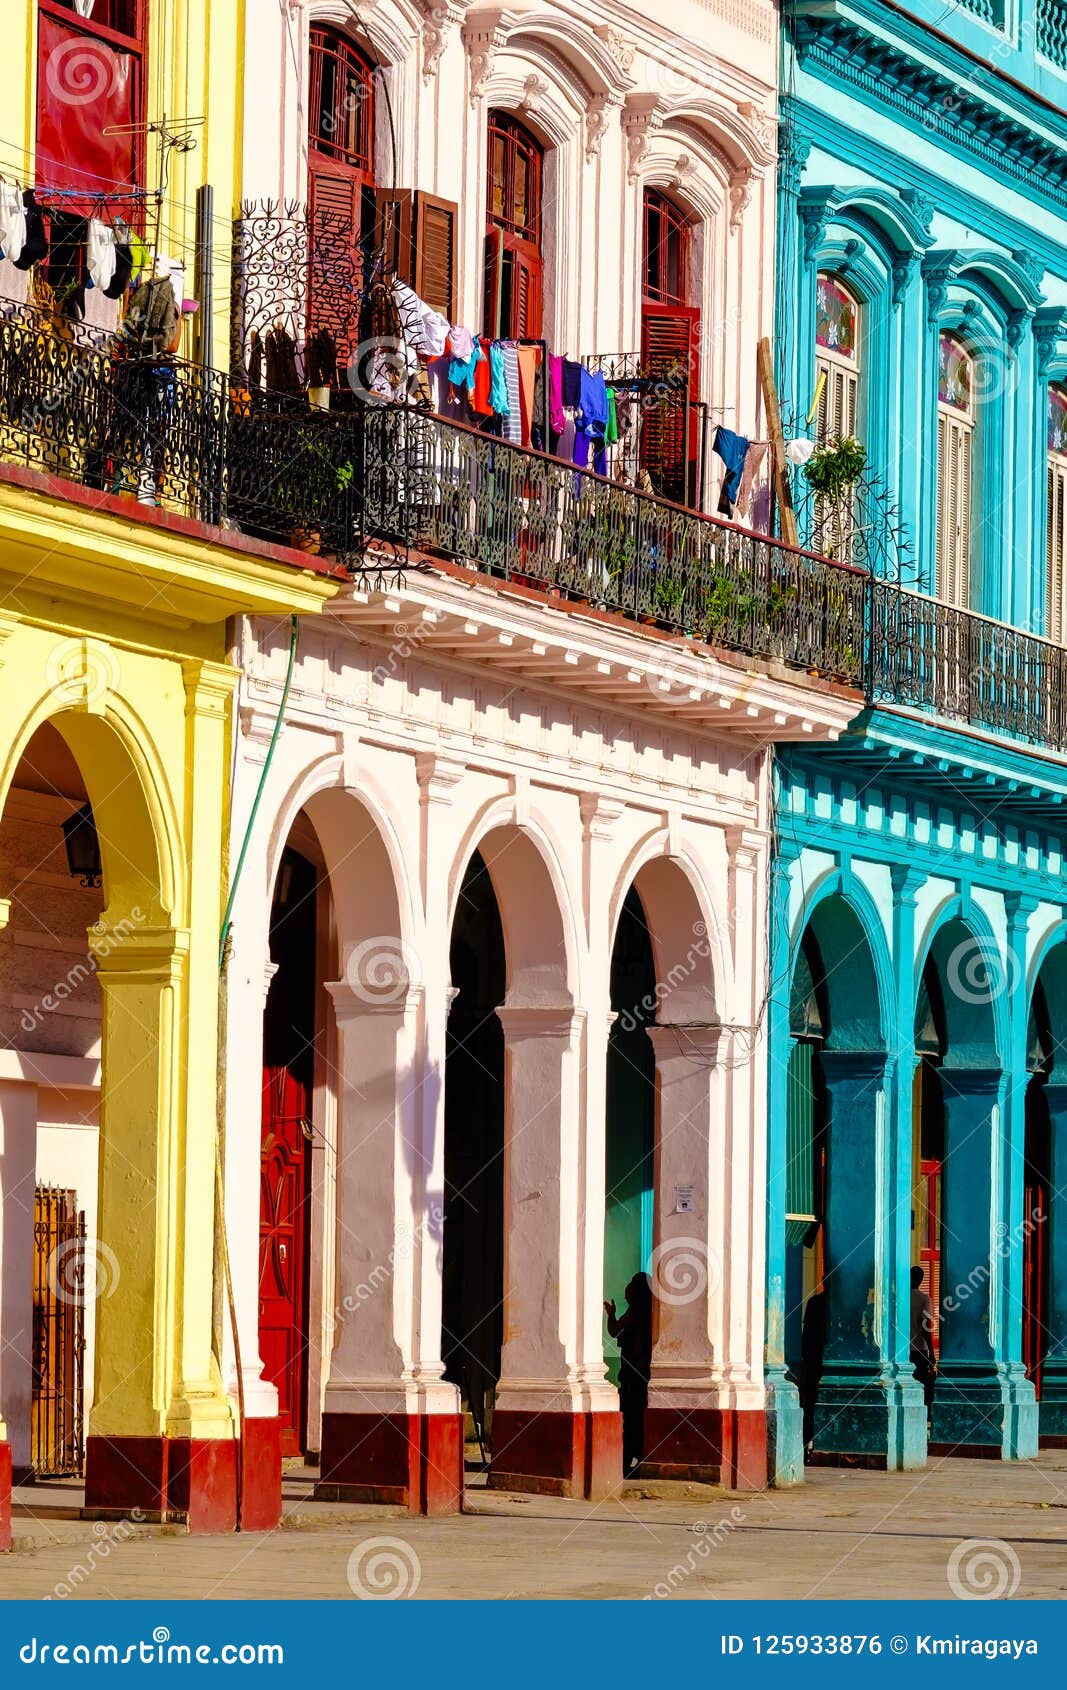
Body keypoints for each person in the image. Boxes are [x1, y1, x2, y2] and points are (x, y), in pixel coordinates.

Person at [605, 1272, 654, 1476]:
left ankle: (629, 1460)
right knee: (637, 1417)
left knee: (631, 1418)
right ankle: (635, 1458)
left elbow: (615, 1331)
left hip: (632, 1375)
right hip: (641, 1375)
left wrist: (611, 1316)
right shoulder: (650, 1313)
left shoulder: (635, 1313)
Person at [910, 1264, 936, 1412]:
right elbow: (926, 1326)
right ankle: (922, 1414)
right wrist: (932, 1353)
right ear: (921, 1280)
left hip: (902, 1350)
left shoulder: (899, 1297)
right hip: (919, 1349)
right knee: (922, 1384)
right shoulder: (924, 1298)